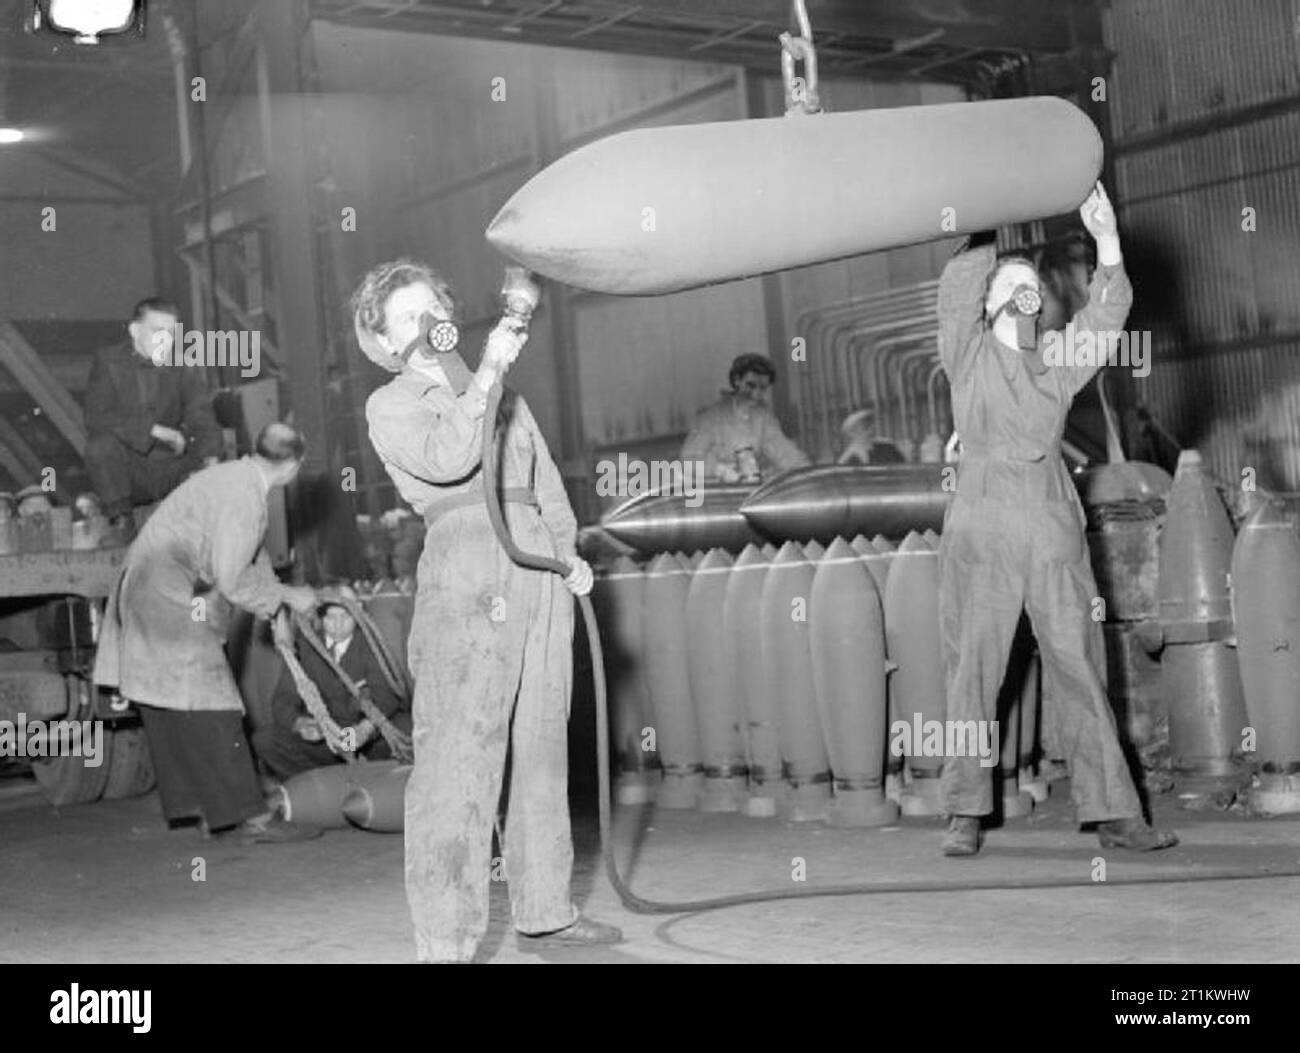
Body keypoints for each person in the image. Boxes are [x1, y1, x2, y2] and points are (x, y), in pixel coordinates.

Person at [353, 258, 622, 963]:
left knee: (542, 742)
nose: (425, 327)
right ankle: (445, 937)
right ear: (382, 342)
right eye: (406, 319)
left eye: (431, 310)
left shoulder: (504, 397)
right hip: (468, 563)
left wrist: (569, 555)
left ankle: (545, 909)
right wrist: (488, 378)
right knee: (460, 755)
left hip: (538, 564)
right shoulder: (392, 403)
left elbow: (544, 482)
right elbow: (446, 459)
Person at [935, 182, 1177, 857]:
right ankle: (962, 809)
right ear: (988, 303)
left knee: (1079, 665)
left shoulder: (1056, 363)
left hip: (1048, 525)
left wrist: (1105, 239)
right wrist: (984, 215)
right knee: (972, 672)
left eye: (1030, 281)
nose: (1021, 287)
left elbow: (1108, 313)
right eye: (1007, 281)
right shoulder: (967, 355)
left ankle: (1116, 813)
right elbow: (958, 285)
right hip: (981, 527)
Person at [92, 422, 321, 843]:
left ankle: (200, 809)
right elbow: (232, 581)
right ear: (293, 466)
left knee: (168, 700)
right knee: (212, 697)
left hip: (141, 585)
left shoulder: (233, 477)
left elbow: (253, 556)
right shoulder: (246, 498)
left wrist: (278, 614)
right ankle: (250, 817)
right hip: (165, 593)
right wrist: (293, 594)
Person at [84, 297, 223, 539]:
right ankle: (122, 522)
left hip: (171, 469)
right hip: (129, 475)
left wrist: (211, 463)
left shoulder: (183, 366)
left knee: (214, 459)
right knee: (99, 446)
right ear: (134, 330)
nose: (165, 340)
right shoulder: (108, 361)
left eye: (171, 333)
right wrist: (154, 430)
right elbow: (96, 418)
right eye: (157, 331)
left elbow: (202, 418)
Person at [253, 586, 412, 780]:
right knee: (266, 740)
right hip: (326, 737)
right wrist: (301, 724)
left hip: (365, 736)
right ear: (320, 617)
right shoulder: (306, 646)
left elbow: (386, 695)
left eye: (345, 616)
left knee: (407, 729)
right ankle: (320, 783)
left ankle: (377, 781)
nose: (338, 625)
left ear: (359, 612)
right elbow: (283, 699)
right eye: (330, 617)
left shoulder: (371, 645)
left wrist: (366, 728)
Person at [681, 353, 810, 482]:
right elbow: (687, 462)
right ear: (737, 380)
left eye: (762, 388)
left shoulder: (763, 417)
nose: (756, 394)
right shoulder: (711, 418)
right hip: (718, 493)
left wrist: (807, 473)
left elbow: (785, 453)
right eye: (751, 386)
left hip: (750, 490)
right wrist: (720, 470)